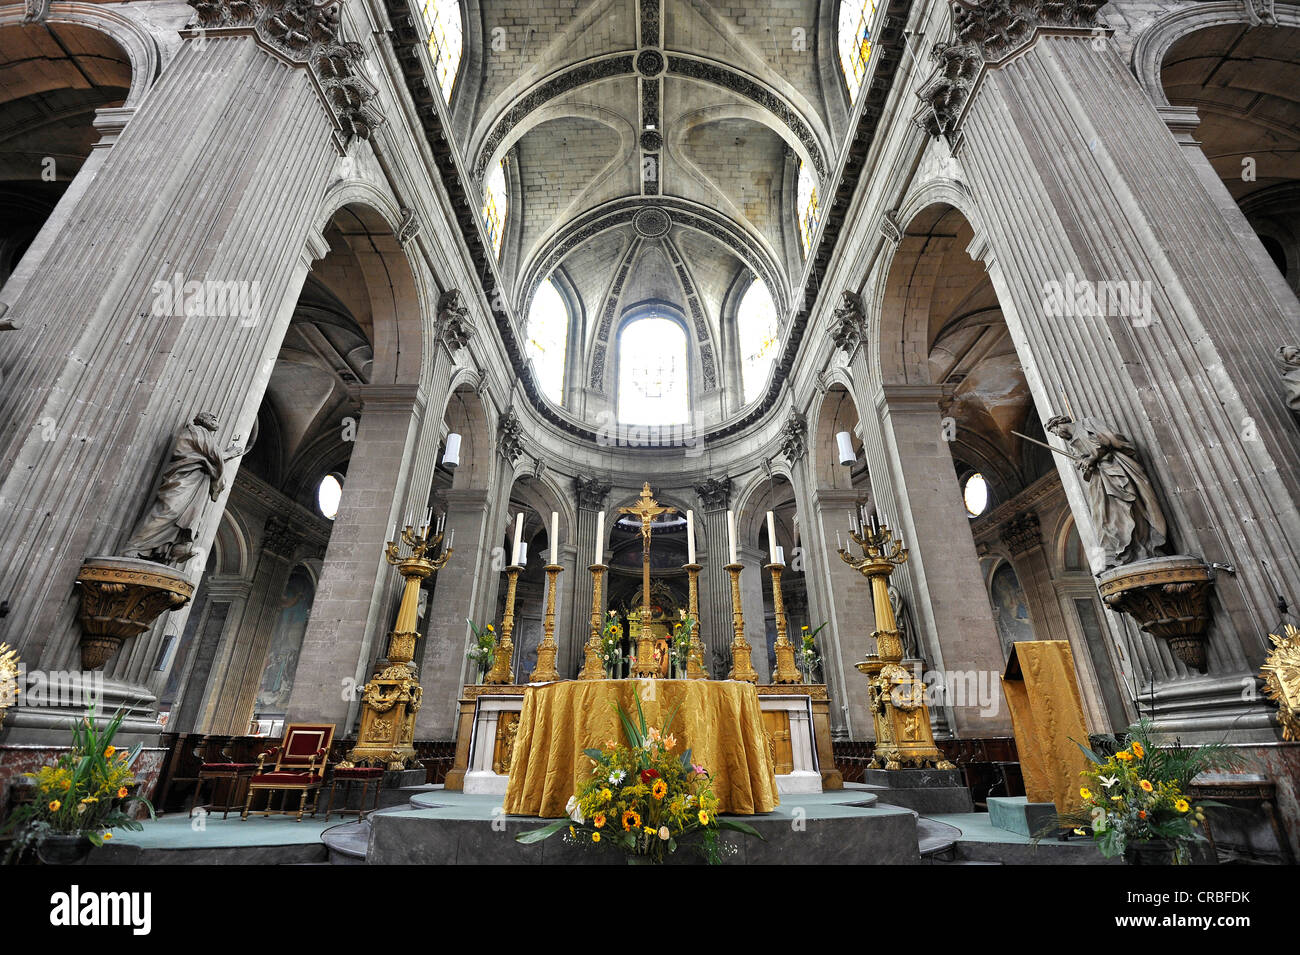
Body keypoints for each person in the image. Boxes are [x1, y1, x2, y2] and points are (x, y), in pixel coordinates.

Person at [1045, 414, 1167, 568]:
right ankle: (1118, 554)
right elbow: (1083, 459)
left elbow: (1111, 439)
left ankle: (1143, 546)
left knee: (1129, 506)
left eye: (1055, 430)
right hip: (1100, 476)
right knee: (1102, 515)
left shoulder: (1087, 423)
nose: (1057, 434)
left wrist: (1093, 457)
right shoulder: (1071, 443)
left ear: (1060, 423)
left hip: (1116, 468)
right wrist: (1083, 462)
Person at [122, 412, 244, 564]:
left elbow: (212, 458)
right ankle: (134, 547)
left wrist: (222, 457)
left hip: (198, 481)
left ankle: (166, 551)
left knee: (189, 515)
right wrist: (227, 453)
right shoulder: (196, 431)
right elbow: (212, 455)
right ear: (201, 419)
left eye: (216, 419)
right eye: (212, 417)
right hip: (182, 478)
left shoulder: (207, 437)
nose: (215, 419)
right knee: (168, 510)